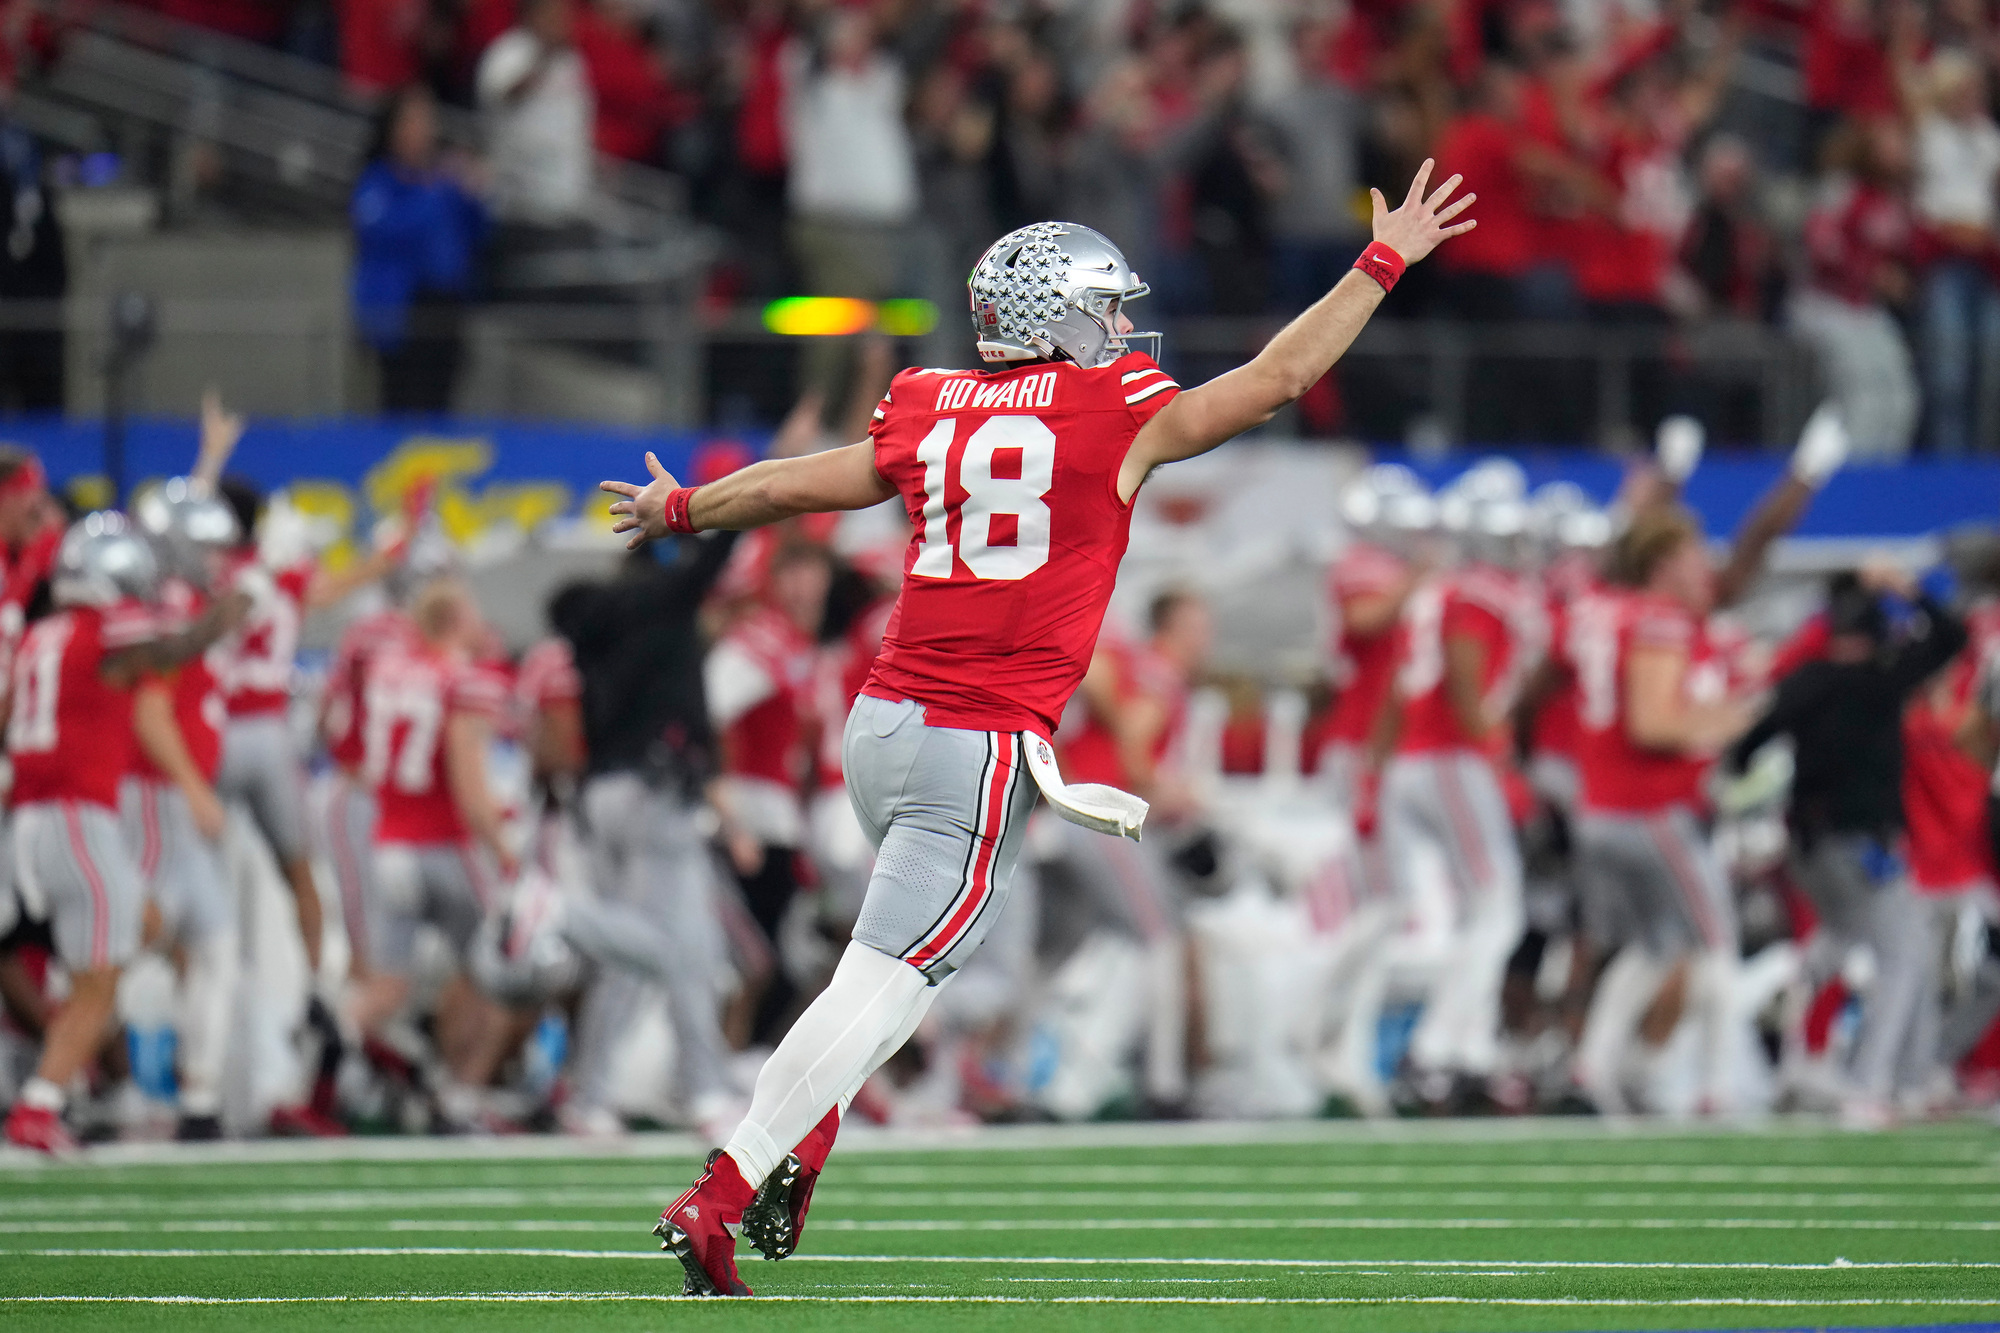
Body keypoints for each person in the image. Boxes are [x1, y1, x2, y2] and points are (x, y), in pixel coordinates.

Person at [604, 165, 1474, 1295]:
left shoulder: (926, 398)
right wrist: (1381, 261)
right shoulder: (1110, 406)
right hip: (973, 741)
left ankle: (801, 1141)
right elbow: (1280, 377)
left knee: (890, 975)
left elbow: (789, 490)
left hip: (882, 727)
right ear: (1054, 313)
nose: (1118, 326)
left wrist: (680, 507)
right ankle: (729, 1187)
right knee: (884, 981)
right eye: (1103, 306)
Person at [1565, 411, 1845, 1115]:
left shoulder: (1605, 606)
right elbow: (1654, 722)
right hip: (1649, 807)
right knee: (1716, 943)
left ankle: (1594, 1067)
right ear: (1663, 566)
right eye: (1692, 557)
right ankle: (1717, 1091)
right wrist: (1736, 718)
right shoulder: (1656, 618)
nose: (1706, 570)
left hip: (1603, 806)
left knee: (1655, 946)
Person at [2, 514, 244, 1153]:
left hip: (32, 817)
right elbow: (162, 653)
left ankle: (57, 1089)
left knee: (122, 944)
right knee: (101, 973)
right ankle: (43, 1101)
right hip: (76, 818)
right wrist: (226, 615)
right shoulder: (101, 627)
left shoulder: (40, 634)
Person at [1727, 562, 1966, 1123]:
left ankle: (1794, 1063)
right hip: (1861, 845)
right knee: (1905, 955)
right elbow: (1952, 636)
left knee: (1832, 944)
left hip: (1806, 845)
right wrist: (1907, 589)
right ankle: (1870, 1083)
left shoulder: (1804, 682)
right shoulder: (1879, 681)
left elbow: (1742, 752)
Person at [550, 531, 746, 1140]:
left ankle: (590, 1096)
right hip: (654, 791)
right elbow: (715, 553)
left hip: (602, 794)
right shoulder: (663, 602)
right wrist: (740, 504)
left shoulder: (600, 613)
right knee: (686, 949)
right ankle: (705, 1090)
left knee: (629, 957)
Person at [1377, 470, 1546, 1110]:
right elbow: (1464, 679)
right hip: (1450, 756)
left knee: (1476, 913)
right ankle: (1436, 1048)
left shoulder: (1442, 590)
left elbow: (1402, 685)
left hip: (1422, 758)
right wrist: (1497, 755)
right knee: (1499, 907)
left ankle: (1469, 1048)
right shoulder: (1473, 592)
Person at [125, 479, 243, 1141]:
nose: (221, 559)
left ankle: (199, 1099)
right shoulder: (166, 608)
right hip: (153, 796)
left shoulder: (188, 602)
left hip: (173, 797)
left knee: (215, 945)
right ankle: (78, 1081)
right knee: (120, 947)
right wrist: (193, 788)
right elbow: (150, 711)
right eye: (209, 546)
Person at [351, 83, 487, 414]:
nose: (424, 130)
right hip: (400, 312)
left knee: (440, 402)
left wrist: (475, 194)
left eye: (428, 120)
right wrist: (433, 191)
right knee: (401, 403)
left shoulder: (446, 182)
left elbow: (476, 233)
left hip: (446, 308)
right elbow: (383, 230)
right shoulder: (377, 181)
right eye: (413, 121)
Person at [476, 0, 594, 230]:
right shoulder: (508, 51)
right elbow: (502, 95)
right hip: (521, 198)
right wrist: (542, 60)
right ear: (533, 14)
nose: (562, 22)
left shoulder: (570, 59)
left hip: (568, 193)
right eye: (553, 14)